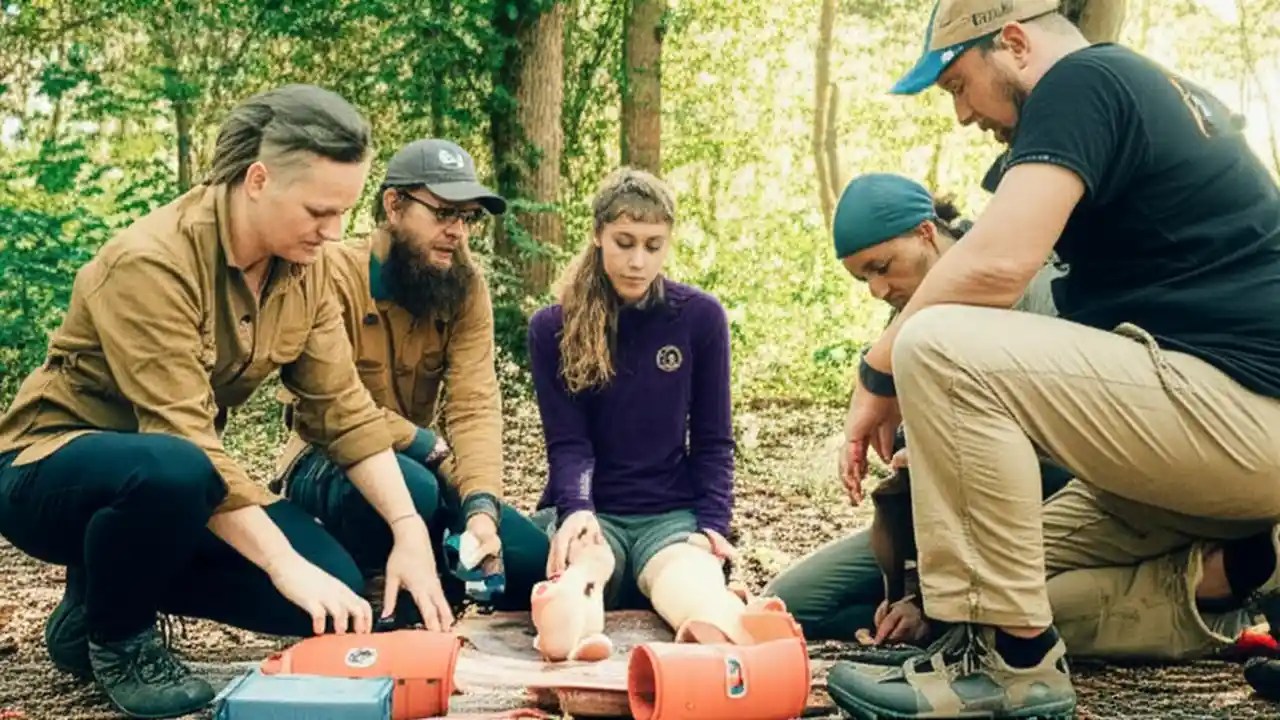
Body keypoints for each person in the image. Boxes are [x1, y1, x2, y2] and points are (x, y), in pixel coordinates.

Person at [828, 1, 1280, 718]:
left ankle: (1013, 672)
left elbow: (998, 264)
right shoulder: (1146, 90)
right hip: (1192, 444)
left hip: (1234, 413)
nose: (963, 117)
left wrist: (878, 369)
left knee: (938, 342)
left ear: (1012, 42)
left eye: (957, 87)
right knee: (990, 586)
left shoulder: (1085, 80)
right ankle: (1238, 577)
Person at [0, 85, 449, 720]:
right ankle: (120, 638)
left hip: (181, 485)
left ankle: (95, 597)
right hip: (47, 469)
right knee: (174, 472)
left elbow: (342, 408)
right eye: (320, 211)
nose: (336, 231)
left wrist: (410, 536)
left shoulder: (308, 265)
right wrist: (280, 561)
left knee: (332, 591)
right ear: (258, 179)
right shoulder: (151, 262)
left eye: (345, 212)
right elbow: (185, 438)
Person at [764, 172, 1070, 644]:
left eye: (881, 267)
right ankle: (921, 620)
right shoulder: (908, 312)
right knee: (790, 603)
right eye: (863, 276)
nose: (877, 289)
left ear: (926, 233)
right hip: (938, 522)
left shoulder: (1026, 276)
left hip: (1041, 506)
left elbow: (1065, 431)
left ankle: (946, 613)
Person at [271, 138, 549, 615]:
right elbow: (325, 405)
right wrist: (426, 445)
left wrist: (481, 510)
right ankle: (375, 578)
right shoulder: (330, 272)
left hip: (424, 468)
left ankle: (438, 571)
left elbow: (474, 404)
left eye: (467, 218)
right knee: (416, 487)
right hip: (327, 458)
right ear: (394, 206)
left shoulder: (463, 285)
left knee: (532, 562)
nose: (457, 232)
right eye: (443, 214)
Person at [526, 167, 751, 643]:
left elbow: (713, 439)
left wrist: (712, 524)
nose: (637, 261)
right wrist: (579, 508)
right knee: (587, 566)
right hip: (595, 510)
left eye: (653, 245)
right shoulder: (552, 327)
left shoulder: (699, 318)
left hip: (670, 515)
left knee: (688, 582)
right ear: (597, 235)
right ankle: (569, 627)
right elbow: (569, 443)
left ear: (667, 244)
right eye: (623, 242)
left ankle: (717, 630)